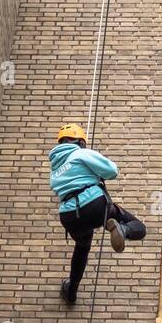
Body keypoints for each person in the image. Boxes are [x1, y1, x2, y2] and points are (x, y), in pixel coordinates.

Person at [49, 123, 147, 305]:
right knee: (140, 228)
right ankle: (122, 230)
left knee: (82, 246)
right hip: (93, 205)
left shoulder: (54, 169)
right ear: (80, 142)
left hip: (69, 216)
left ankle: (71, 290)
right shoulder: (82, 153)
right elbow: (112, 171)